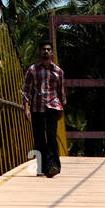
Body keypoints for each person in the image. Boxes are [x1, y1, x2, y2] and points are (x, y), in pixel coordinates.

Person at [22, 42, 66, 178]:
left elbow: (61, 92)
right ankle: (41, 168)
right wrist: (26, 109)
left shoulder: (58, 71)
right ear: (39, 52)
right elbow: (26, 91)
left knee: (52, 137)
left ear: (52, 53)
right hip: (36, 107)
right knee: (39, 138)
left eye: (48, 49)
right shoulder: (32, 70)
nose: (46, 51)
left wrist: (62, 109)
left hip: (52, 107)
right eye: (43, 49)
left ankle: (53, 166)